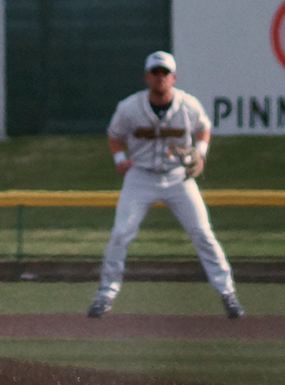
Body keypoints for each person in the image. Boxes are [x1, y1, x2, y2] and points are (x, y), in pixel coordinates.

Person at [89, 50, 242, 320]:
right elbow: (114, 135)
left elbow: (203, 128)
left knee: (203, 233)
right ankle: (105, 294)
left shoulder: (188, 104)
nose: (160, 78)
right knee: (121, 234)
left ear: (174, 78)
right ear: (147, 77)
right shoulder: (130, 107)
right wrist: (120, 158)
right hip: (141, 176)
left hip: (177, 177)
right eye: (156, 73)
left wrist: (202, 153)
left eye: (165, 73)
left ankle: (228, 294)